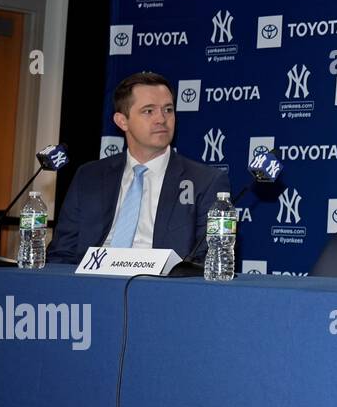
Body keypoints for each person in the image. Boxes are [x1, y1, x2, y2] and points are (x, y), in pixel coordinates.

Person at [48, 72, 230, 263]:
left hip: (160, 286)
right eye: (149, 111)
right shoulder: (89, 176)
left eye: (168, 110)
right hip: (92, 282)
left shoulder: (205, 181)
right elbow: (62, 252)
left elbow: (211, 260)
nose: (161, 119)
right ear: (122, 121)